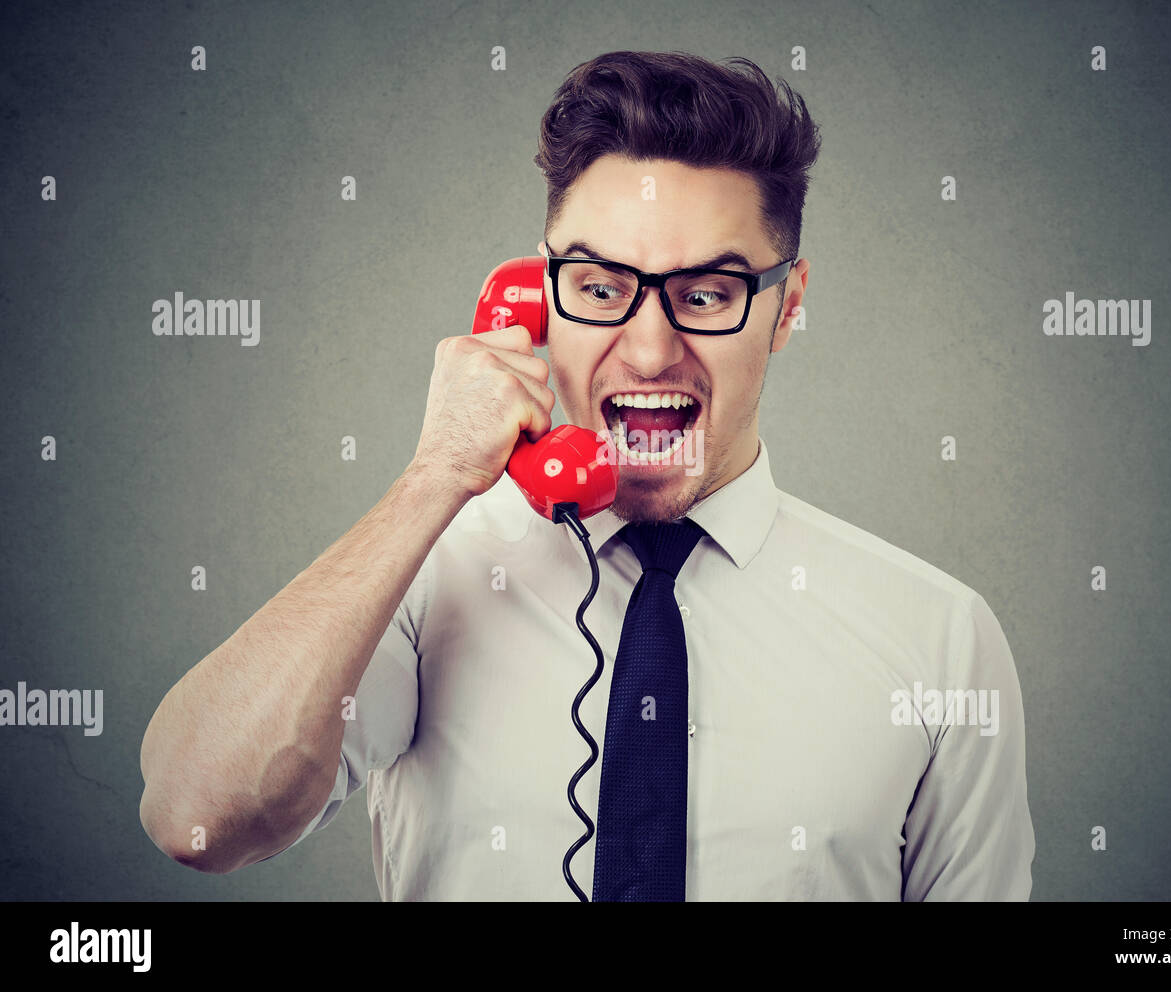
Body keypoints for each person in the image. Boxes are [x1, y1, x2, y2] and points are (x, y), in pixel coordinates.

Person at [139, 50, 1034, 900]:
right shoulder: (424, 583)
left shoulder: (940, 639)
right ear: (538, 296)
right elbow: (193, 818)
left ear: (787, 306)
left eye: (708, 294)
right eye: (602, 288)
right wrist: (432, 481)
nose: (648, 350)